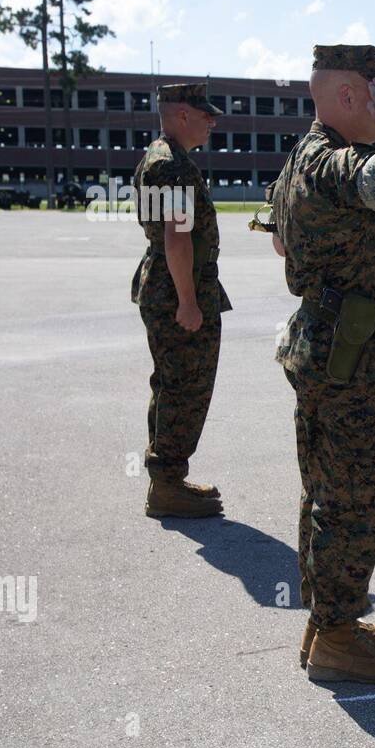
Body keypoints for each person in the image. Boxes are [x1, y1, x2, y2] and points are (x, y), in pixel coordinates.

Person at [267, 45, 375, 683]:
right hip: (356, 361)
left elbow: (282, 235)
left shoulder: (302, 161)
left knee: (328, 493)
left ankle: (327, 619)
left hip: (334, 346)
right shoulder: (334, 161)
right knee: (357, 499)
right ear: (345, 98)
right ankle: (337, 636)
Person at [132, 83, 229, 519]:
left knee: (172, 383)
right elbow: (177, 236)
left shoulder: (161, 157)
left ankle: (167, 476)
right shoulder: (171, 166)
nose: (212, 122)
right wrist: (188, 302)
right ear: (182, 114)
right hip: (179, 288)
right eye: (205, 114)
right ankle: (167, 484)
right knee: (185, 386)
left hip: (168, 284)